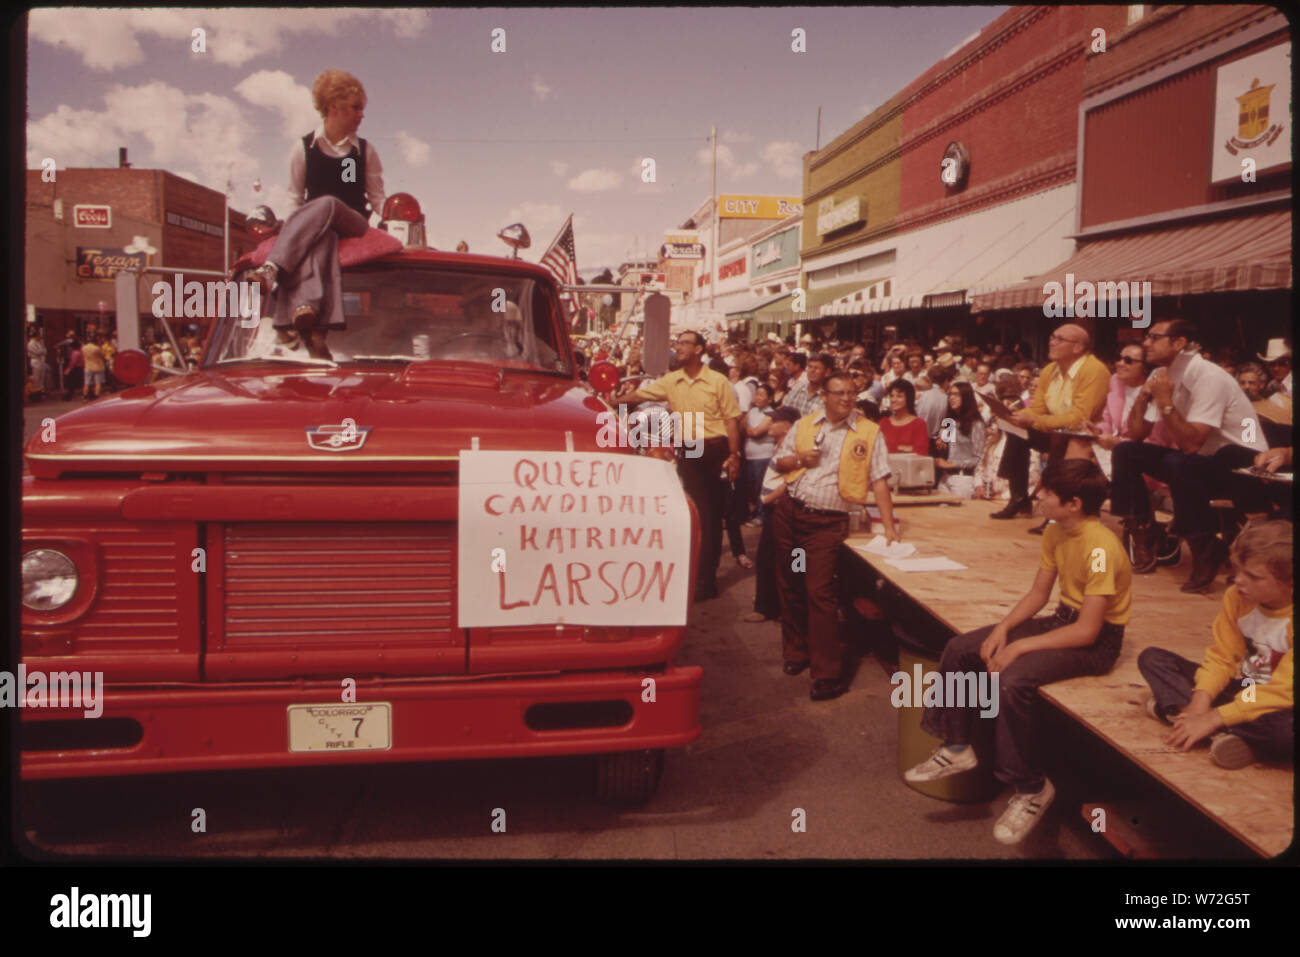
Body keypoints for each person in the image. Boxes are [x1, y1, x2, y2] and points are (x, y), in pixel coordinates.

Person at [905, 459, 1131, 844]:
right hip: (1064, 620)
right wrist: (1003, 629)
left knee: (1012, 680)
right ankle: (958, 746)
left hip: (1096, 641)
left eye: (1046, 491)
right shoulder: (1057, 531)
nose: (1037, 496)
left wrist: (1022, 645)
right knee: (961, 648)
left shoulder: (1101, 548)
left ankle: (1031, 788)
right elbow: (1040, 594)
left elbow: (1089, 630)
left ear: (1074, 503)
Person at [1113, 319, 1268, 592]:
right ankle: (1143, 531)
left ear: (1179, 343)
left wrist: (1164, 401)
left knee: (1181, 462)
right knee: (1126, 451)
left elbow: (1191, 443)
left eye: (1154, 337)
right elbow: (1136, 434)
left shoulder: (1209, 376)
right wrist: (1142, 397)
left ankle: (1203, 544)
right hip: (1201, 462)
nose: (1145, 342)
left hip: (1244, 464)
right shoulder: (1160, 375)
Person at [772, 372, 899, 700]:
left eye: (851, 393)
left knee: (820, 592)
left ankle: (827, 674)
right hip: (791, 513)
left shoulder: (869, 432)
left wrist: (890, 527)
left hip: (826, 524)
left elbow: (880, 479)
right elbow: (779, 462)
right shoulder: (805, 424)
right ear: (824, 397)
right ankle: (796, 652)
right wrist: (801, 459)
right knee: (790, 582)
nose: (846, 398)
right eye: (839, 393)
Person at [251, 69, 385, 361]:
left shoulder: (364, 150)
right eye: (356, 107)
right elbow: (294, 197)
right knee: (322, 239)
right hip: (321, 227)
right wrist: (294, 228)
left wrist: (395, 222)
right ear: (334, 107)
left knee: (327, 203)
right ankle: (312, 326)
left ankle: (273, 271)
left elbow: (377, 198)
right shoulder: (303, 148)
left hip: (354, 223)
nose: (361, 115)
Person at [1137, 519, 1292, 769]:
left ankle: (1187, 719)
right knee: (1153, 659)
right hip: (1249, 691)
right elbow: (1222, 657)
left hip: (1283, 703)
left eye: (1253, 576)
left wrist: (1215, 717)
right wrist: (1201, 703)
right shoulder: (1237, 597)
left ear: (1290, 583)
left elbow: (1285, 690)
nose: (1239, 581)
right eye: (1236, 569)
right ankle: (1219, 730)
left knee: (1286, 731)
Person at [617, 330, 742, 601]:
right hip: (690, 451)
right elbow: (638, 396)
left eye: (685, 343)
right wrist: (608, 401)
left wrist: (735, 456)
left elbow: (732, 420)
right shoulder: (671, 381)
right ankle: (697, 575)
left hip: (716, 449)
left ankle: (706, 580)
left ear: (699, 349)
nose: (679, 347)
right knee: (696, 513)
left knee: (711, 518)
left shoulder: (718, 381)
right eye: (678, 343)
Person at [992, 323, 1109, 529]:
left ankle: (1056, 513)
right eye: (1052, 337)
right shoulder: (1049, 370)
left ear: (1078, 347)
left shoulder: (1093, 370)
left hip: (1083, 436)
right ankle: (1019, 498)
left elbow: (1080, 418)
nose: (1052, 342)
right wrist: (1015, 415)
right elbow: (1038, 408)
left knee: (1057, 437)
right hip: (1056, 431)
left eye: (1059, 339)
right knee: (1017, 431)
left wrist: (1035, 421)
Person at [743, 406, 802, 623]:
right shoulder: (780, 445)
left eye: (774, 421)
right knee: (766, 557)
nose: (770, 424)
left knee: (794, 558)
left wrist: (771, 497)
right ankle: (766, 606)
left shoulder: (794, 448)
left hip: (783, 508)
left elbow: (794, 478)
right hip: (772, 510)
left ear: (787, 426)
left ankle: (790, 606)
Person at [933, 380, 986, 498]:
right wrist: (939, 442)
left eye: (956, 395)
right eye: (950, 394)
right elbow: (945, 449)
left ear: (965, 397)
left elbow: (978, 458)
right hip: (944, 477)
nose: (952, 398)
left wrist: (953, 464)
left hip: (962, 479)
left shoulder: (976, 423)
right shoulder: (950, 421)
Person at [744, 383, 778, 525]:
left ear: (769, 399)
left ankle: (762, 516)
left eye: (761, 395)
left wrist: (748, 428)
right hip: (749, 456)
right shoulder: (752, 411)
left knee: (761, 487)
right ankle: (755, 511)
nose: (757, 397)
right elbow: (741, 427)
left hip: (763, 456)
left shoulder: (770, 414)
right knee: (751, 487)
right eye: (757, 394)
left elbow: (757, 432)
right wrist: (748, 428)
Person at [879, 378, 929, 455]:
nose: (894, 399)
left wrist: (892, 447)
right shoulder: (884, 422)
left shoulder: (919, 424)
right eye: (892, 396)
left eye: (899, 396)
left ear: (909, 398)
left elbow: (921, 453)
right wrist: (903, 448)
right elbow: (878, 450)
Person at [784, 352, 828, 416]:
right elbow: (784, 414)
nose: (812, 370)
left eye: (816, 368)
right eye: (810, 367)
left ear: (826, 372)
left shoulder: (827, 397)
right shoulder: (796, 391)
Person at [81, 335, 106, 399]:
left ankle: (85, 395)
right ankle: (96, 395)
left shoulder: (83, 348)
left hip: (88, 367)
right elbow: (103, 356)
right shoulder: (97, 348)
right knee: (98, 382)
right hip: (98, 366)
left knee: (87, 382)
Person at [27, 329, 47, 399]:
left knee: (41, 377)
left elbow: (44, 351)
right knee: (36, 377)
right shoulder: (31, 343)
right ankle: (35, 394)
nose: (39, 337)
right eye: (38, 336)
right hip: (35, 360)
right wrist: (42, 351)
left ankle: (40, 392)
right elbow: (37, 352)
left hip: (41, 360)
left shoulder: (39, 343)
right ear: (35, 336)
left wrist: (42, 351)